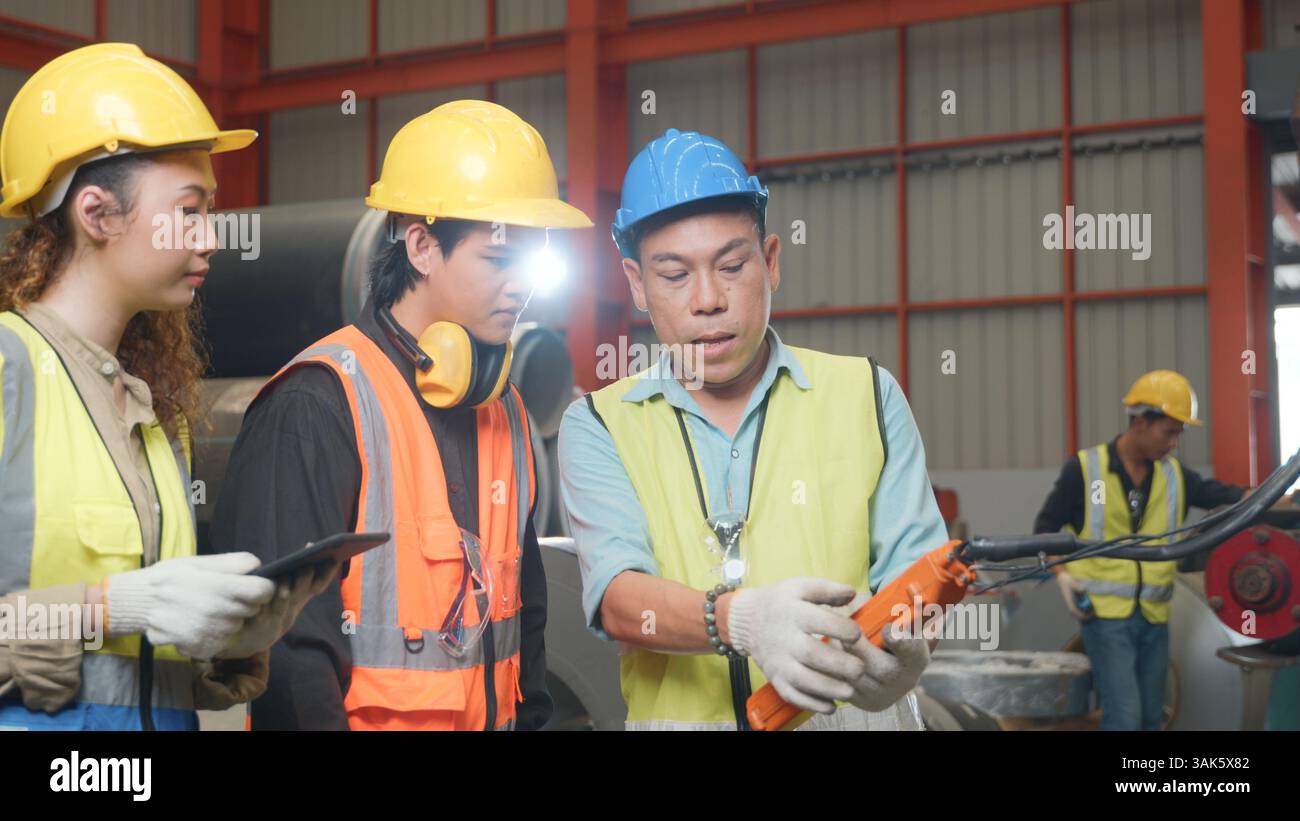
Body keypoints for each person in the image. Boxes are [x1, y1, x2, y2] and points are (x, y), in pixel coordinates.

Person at [212, 100, 593, 730]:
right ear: (421, 245)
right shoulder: (317, 406)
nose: (520, 286)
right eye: (499, 260)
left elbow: (526, 631)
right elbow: (290, 665)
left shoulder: (508, 410)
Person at [558, 128, 947, 730]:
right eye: (674, 274)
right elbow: (617, 598)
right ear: (637, 285)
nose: (708, 299)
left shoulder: (865, 395)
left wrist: (901, 657)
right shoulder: (600, 425)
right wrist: (741, 621)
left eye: (732, 265)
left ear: (770, 262)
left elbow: (918, 576)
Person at [0, 43, 328, 731]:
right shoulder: (10, 372)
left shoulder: (153, 411)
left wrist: (229, 639)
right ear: (97, 214)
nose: (211, 237)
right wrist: (115, 607)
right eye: (188, 209)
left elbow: (142, 677)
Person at [1033, 369, 1245, 730]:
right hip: (1104, 617)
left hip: (1154, 618)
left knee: (1149, 717)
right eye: (1170, 432)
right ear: (1141, 422)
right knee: (1126, 718)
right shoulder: (1085, 471)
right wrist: (1063, 576)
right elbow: (1045, 530)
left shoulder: (1174, 476)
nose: (1174, 442)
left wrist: (1282, 497)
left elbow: (1231, 497)